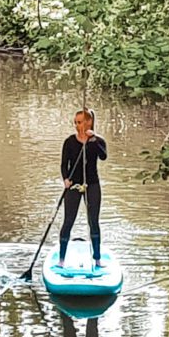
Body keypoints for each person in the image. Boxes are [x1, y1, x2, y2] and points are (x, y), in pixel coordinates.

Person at [58, 108, 107, 267]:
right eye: (76, 122)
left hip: (92, 184)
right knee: (68, 221)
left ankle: (97, 259)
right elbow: (64, 164)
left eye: (79, 122)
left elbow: (103, 156)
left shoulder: (98, 141)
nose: (77, 125)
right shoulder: (69, 142)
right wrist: (66, 179)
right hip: (73, 185)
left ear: (89, 122)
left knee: (93, 221)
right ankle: (61, 260)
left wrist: (93, 140)